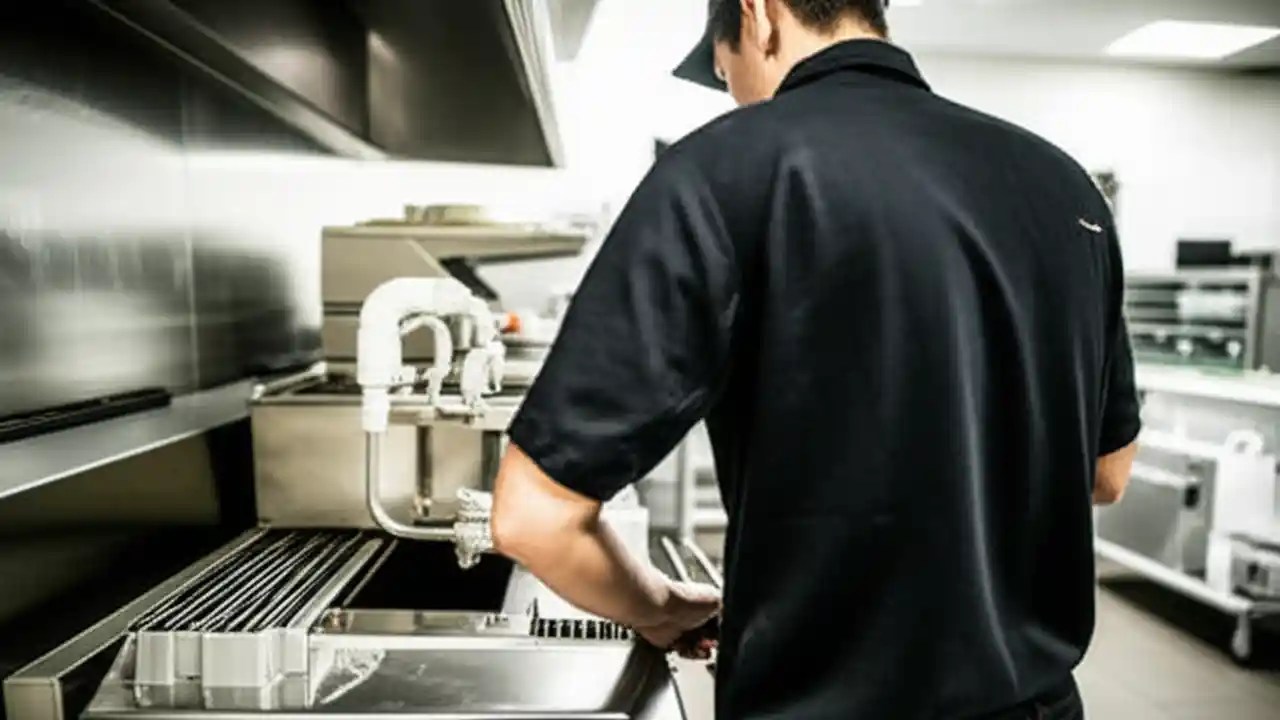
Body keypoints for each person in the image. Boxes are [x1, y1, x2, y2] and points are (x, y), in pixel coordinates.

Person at [489, 0, 1140, 718]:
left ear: (759, 16)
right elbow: (1107, 474)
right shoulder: (1064, 187)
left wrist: (657, 606)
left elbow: (534, 516)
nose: (735, 91)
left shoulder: (722, 169)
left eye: (723, 69)